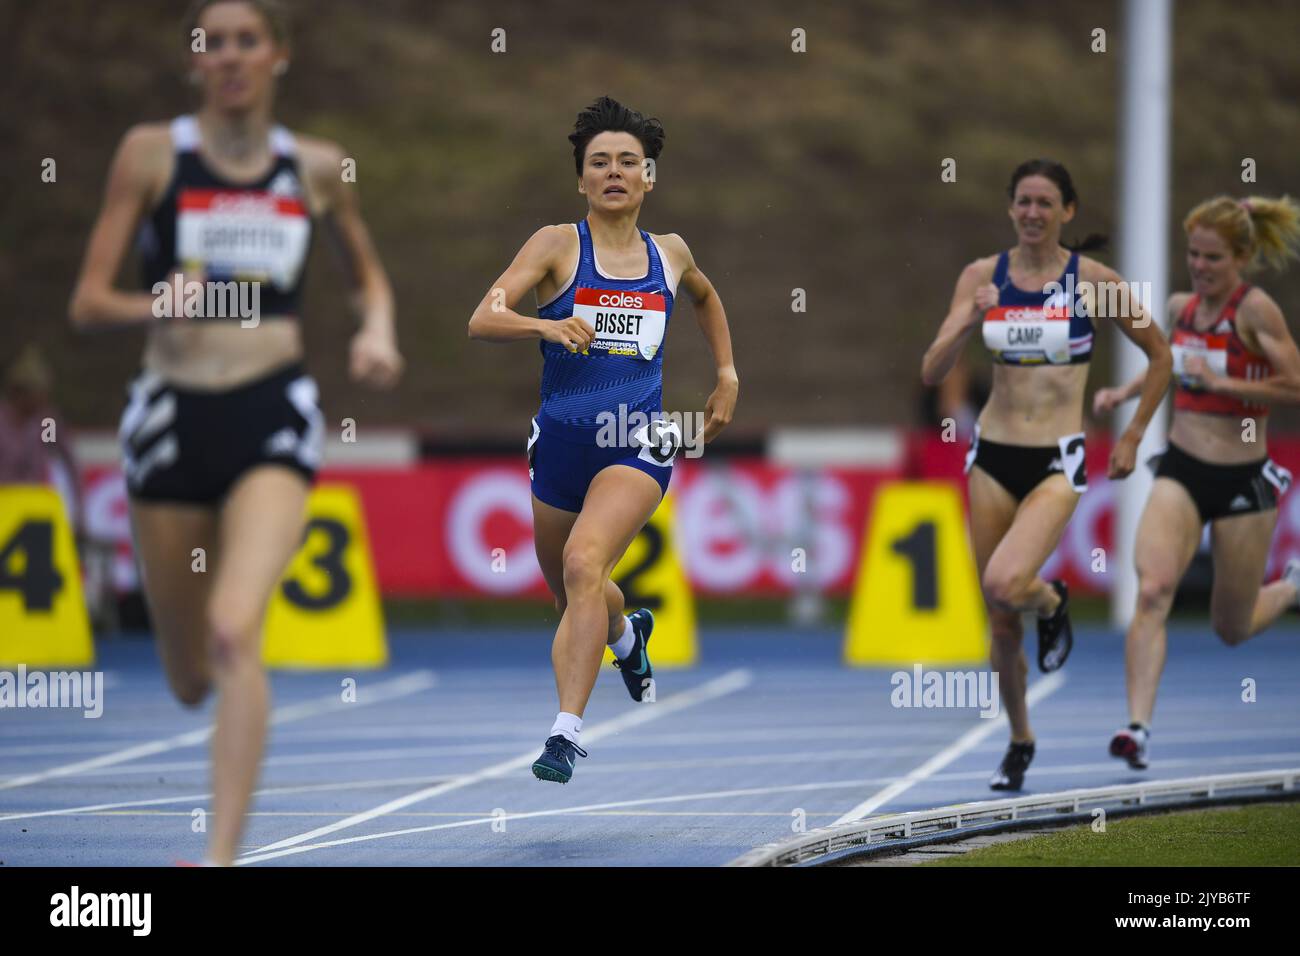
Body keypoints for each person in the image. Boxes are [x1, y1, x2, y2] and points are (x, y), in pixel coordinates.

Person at [68, 0, 402, 864]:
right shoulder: (152, 154)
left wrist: (375, 331)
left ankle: (217, 859)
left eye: (246, 40)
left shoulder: (320, 168)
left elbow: (368, 278)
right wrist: (154, 303)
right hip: (172, 418)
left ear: (278, 55)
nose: (228, 56)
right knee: (186, 678)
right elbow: (87, 300)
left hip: (272, 412)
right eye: (211, 43)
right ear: (195, 61)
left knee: (232, 629)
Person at [468, 96, 738, 784]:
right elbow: (483, 317)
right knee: (572, 593)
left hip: (637, 441)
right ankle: (627, 635)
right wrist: (544, 326)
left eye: (627, 162)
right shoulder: (557, 244)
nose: (613, 172)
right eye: (599, 163)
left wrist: (727, 373)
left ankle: (564, 734)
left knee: (586, 565)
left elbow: (704, 297)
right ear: (581, 180)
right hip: (560, 441)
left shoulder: (669, 253)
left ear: (650, 177)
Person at [921, 158, 1171, 791]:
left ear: (1067, 212)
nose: (1032, 213)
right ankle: (1020, 738)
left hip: (1057, 457)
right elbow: (932, 369)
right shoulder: (983, 276)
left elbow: (1161, 354)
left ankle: (1052, 599)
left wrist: (1134, 434)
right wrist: (965, 321)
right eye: (1023, 201)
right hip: (994, 457)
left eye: (1044, 202)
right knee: (1000, 618)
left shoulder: (1094, 282)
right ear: (1011, 209)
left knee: (1007, 582)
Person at [1095, 195, 1300, 770]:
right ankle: (1136, 728)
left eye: (1212, 257)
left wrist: (1228, 379)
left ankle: (1288, 588)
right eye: (1192, 254)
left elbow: (1295, 386)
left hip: (1242, 479)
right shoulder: (1181, 306)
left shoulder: (1257, 312)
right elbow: (1169, 362)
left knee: (1229, 627)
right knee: (1154, 588)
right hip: (1182, 467)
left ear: (1240, 257)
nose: (1199, 267)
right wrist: (1124, 394)